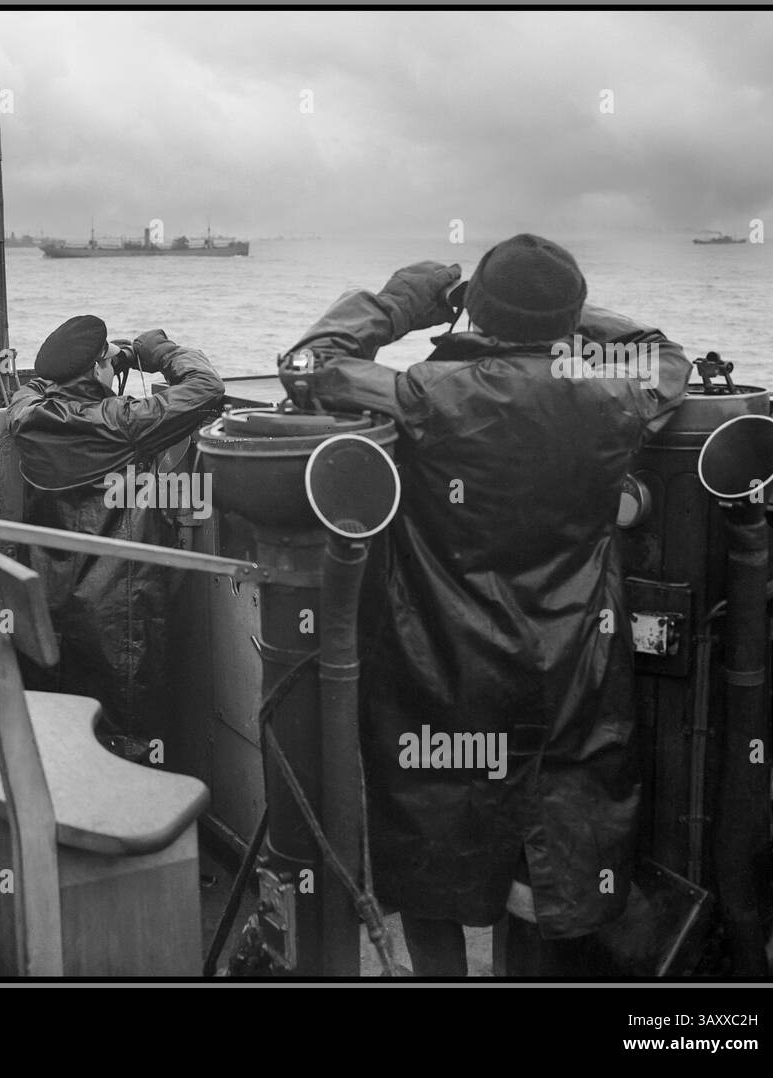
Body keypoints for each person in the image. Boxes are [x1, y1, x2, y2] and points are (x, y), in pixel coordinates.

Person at [278, 234, 693, 976]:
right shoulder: (615, 393)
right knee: (548, 860)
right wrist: (563, 314)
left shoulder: (423, 395)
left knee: (433, 849)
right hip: (573, 670)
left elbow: (312, 362)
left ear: (478, 313)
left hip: (438, 664)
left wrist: (407, 299)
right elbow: (663, 354)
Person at [7, 315, 223, 751]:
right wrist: (159, 351)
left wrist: (112, 356)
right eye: (106, 361)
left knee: (65, 726)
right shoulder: (121, 422)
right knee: (128, 729)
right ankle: (134, 811)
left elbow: (35, 384)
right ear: (96, 369)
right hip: (117, 612)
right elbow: (207, 388)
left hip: (49, 607)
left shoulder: (26, 413)